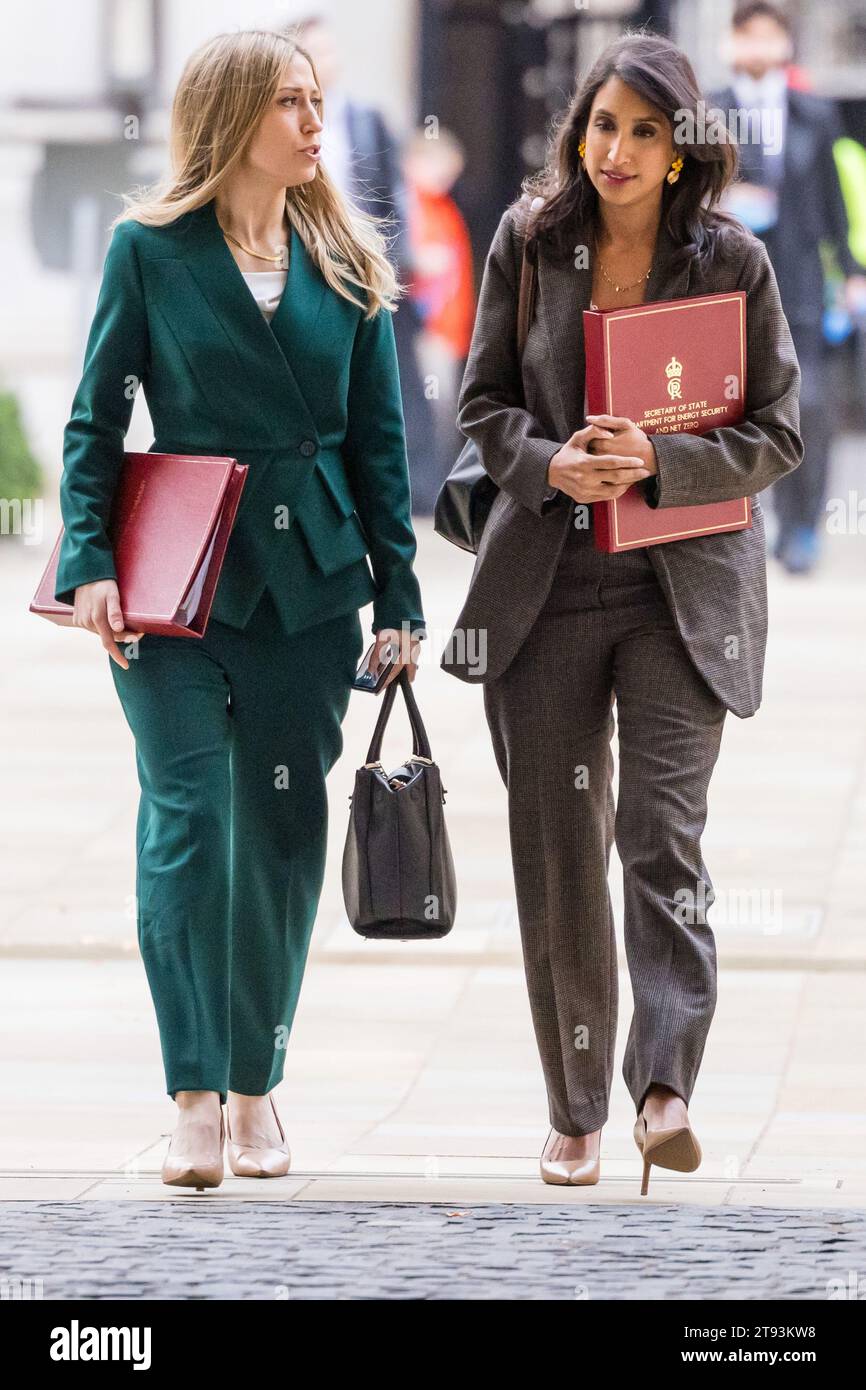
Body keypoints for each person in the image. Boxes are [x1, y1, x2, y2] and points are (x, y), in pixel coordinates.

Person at [54, 27, 425, 1190]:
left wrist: (401, 601)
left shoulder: (350, 261)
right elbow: (93, 421)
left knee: (275, 836)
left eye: (318, 101)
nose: (316, 124)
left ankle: (259, 1080)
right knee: (186, 821)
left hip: (309, 591)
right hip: (176, 587)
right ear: (231, 121)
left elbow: (380, 448)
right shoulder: (149, 252)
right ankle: (194, 1096)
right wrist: (85, 562)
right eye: (290, 104)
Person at [441, 32, 802, 1194]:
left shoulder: (733, 262)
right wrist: (552, 465)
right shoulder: (527, 240)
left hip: (677, 592)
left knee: (659, 836)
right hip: (544, 585)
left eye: (645, 130)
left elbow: (776, 432)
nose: (618, 150)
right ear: (577, 132)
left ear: (682, 145)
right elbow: (482, 404)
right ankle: (573, 1106)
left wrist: (659, 460)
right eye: (603, 126)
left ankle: (663, 1089)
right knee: (556, 850)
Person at [714, 0, 866, 573]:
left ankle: (803, 527)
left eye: (767, 36)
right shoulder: (707, 112)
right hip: (726, 283)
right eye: (746, 36)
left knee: (811, 402)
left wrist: (851, 273)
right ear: (731, 44)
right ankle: (742, 525)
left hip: (799, 281)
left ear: (785, 45)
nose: (756, 47)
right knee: (728, 408)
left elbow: (834, 203)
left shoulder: (814, 114)